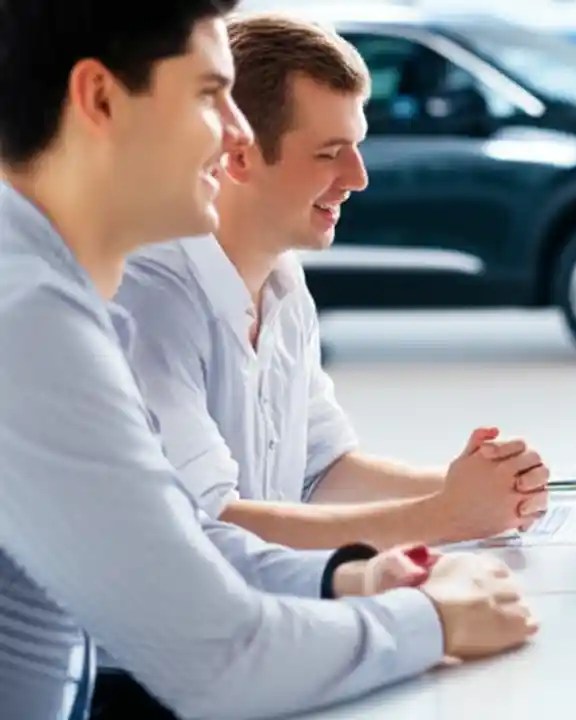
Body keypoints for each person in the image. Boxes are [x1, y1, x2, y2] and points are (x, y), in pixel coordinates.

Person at [0, 3, 535, 718]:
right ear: (100, 99)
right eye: (208, 95)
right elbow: (221, 659)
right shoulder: (27, 316)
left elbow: (183, 544)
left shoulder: (47, 290)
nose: (237, 135)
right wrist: (433, 619)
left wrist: (354, 577)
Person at [113, 13, 550, 551]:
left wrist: (485, 493)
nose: (358, 178)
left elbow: (322, 472)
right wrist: (448, 516)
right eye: (329, 153)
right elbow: (210, 528)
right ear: (238, 155)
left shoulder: (282, 282)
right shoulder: (148, 304)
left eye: (357, 146)